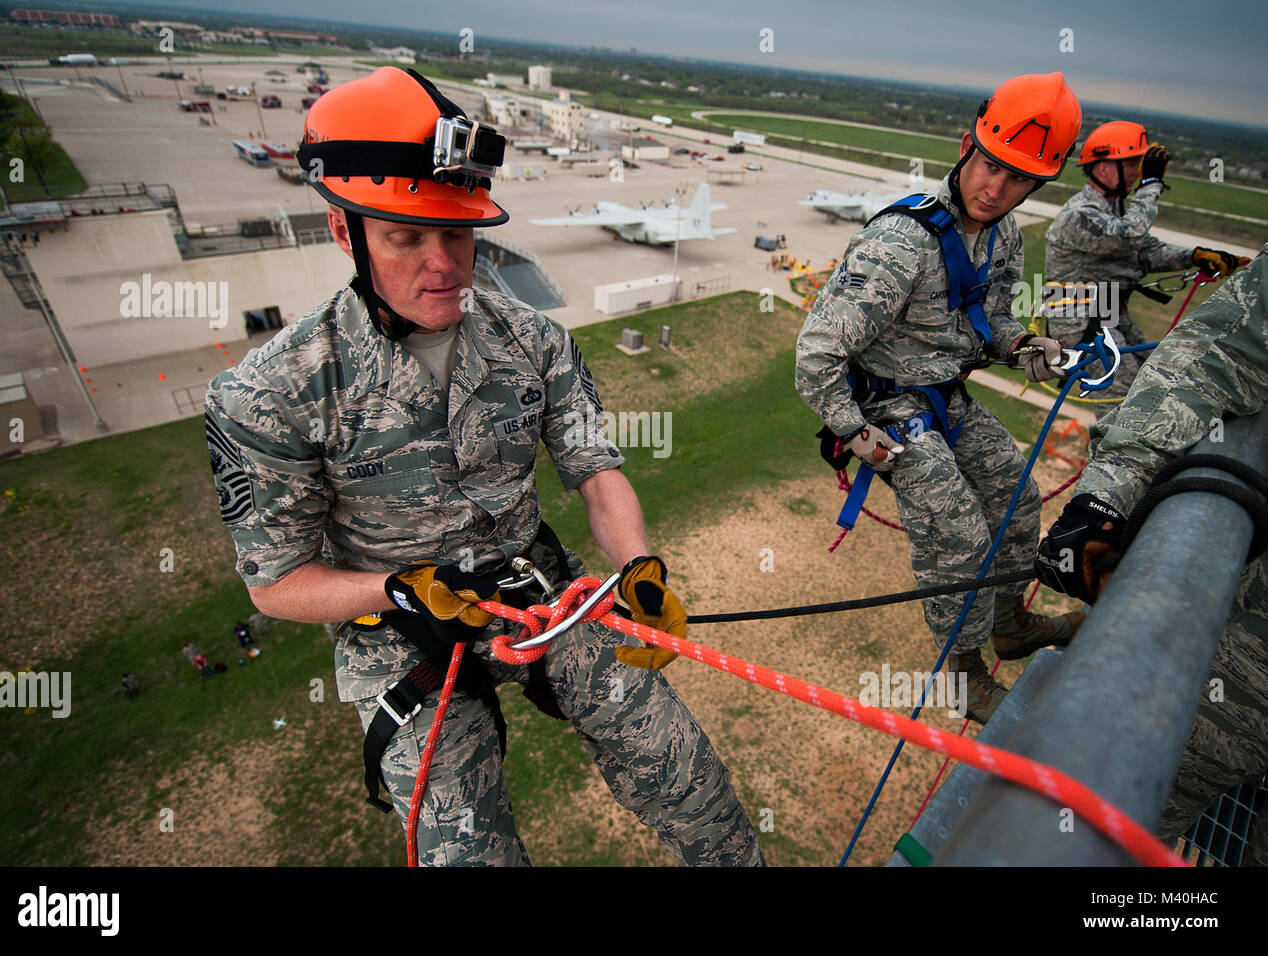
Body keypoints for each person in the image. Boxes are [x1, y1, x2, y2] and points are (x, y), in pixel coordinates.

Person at [205, 67, 761, 867]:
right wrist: (396, 590)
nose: (444, 264)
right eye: (406, 237)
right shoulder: (273, 394)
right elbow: (275, 583)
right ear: (343, 231)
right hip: (400, 632)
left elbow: (595, 471)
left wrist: (638, 565)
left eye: (458, 235)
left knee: (694, 785)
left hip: (543, 593)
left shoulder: (531, 341)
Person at [796, 72, 1086, 722]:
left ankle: (1010, 626)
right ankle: (962, 671)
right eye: (990, 166)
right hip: (884, 411)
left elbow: (997, 321)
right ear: (966, 147)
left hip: (944, 400)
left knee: (1018, 500)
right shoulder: (902, 242)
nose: (995, 188)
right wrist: (852, 429)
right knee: (957, 532)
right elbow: (816, 352)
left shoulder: (1005, 236)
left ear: (1035, 186)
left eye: (1018, 180)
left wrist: (1021, 348)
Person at [1036, 244, 1268, 863]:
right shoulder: (1084, 219)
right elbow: (1218, 351)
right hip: (1250, 653)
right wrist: (1103, 502)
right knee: (1101, 827)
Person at [1043, 121, 1249, 417]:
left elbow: (1145, 252)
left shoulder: (1112, 210)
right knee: (1122, 403)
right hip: (1078, 320)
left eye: (1139, 166)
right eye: (1130, 164)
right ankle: (1112, 459)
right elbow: (1129, 234)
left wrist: (1196, 256)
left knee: (1159, 373)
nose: (1136, 173)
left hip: (1107, 315)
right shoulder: (1080, 215)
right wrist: (1151, 186)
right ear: (1102, 168)